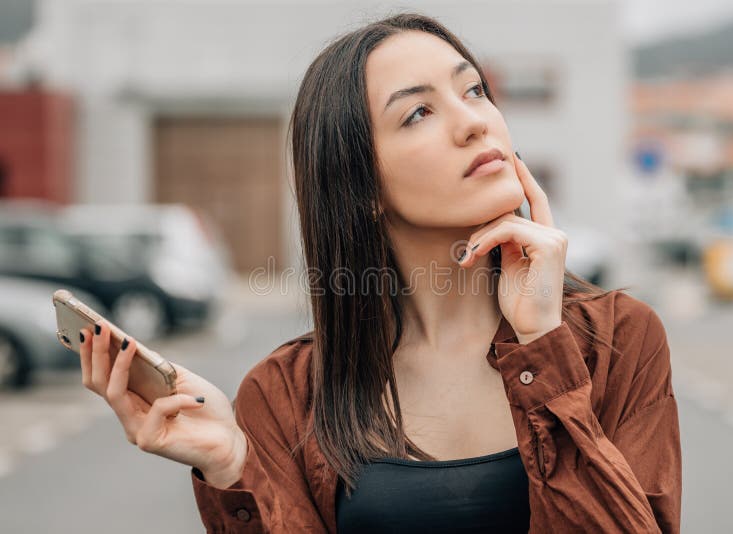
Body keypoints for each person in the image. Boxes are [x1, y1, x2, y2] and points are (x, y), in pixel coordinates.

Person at [78, 12, 681, 534]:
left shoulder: (618, 340)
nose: (473, 121)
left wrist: (542, 347)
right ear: (360, 186)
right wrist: (234, 465)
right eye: (418, 112)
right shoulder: (288, 393)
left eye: (474, 91)